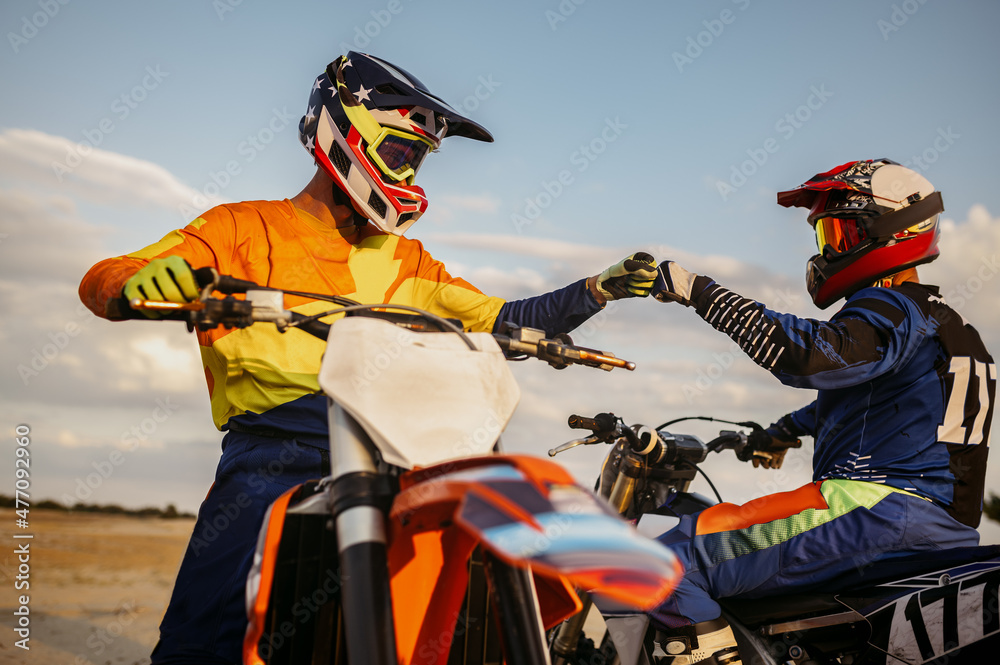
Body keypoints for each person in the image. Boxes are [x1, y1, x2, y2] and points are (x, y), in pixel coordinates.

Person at [78, 52, 658, 664]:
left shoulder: (407, 260)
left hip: (399, 447)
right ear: (346, 130)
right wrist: (156, 284)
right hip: (274, 452)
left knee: (467, 596)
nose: (411, 174)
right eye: (404, 153)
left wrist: (597, 290)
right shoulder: (241, 228)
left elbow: (502, 320)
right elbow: (109, 276)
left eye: (418, 160)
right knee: (206, 635)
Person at [647, 159, 995, 661]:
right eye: (825, 237)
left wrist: (698, 292)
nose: (830, 250)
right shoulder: (949, 327)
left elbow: (813, 355)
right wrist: (777, 433)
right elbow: (879, 404)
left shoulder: (891, 307)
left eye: (841, 233)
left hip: (876, 510)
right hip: (942, 528)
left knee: (657, 566)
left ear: (889, 231)